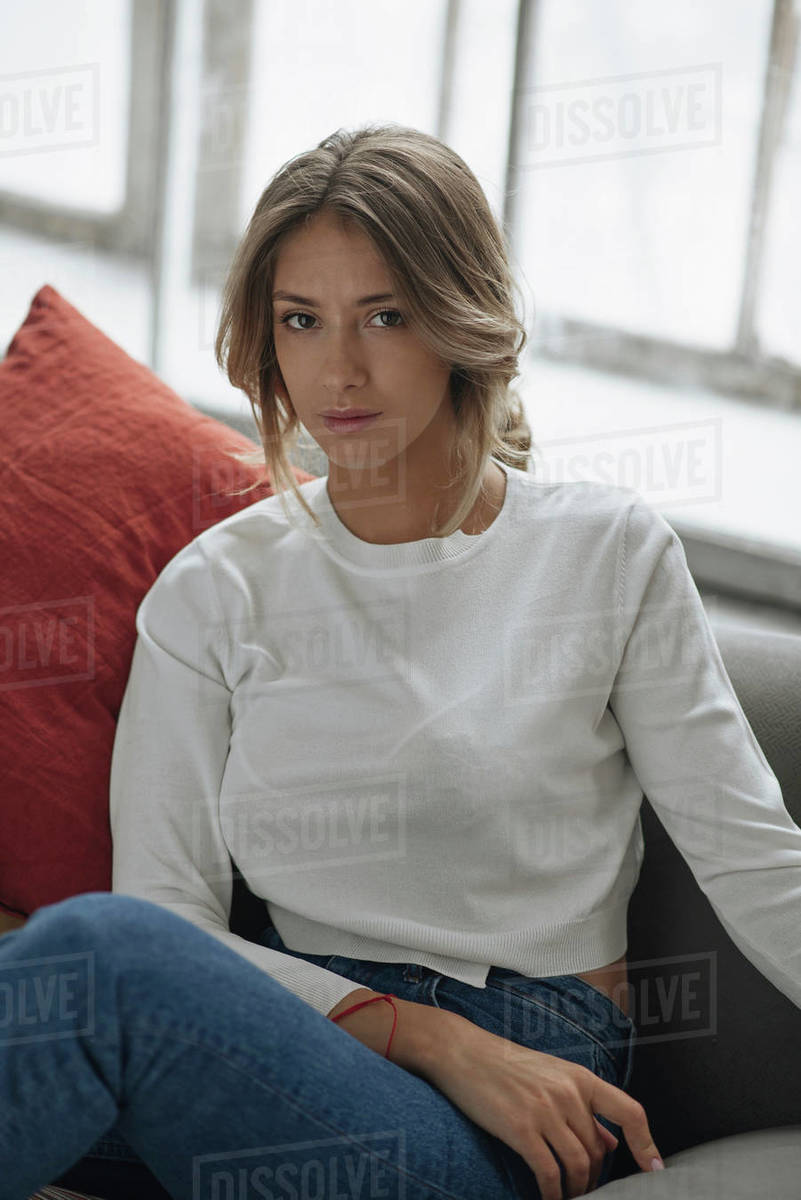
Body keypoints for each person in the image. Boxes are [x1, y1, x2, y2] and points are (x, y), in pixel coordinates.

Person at [4, 122, 799, 1200]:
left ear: (461, 318)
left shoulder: (605, 552)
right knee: (92, 969)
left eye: (386, 315)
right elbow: (173, 916)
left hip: (525, 1090)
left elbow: (755, 861)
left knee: (99, 956)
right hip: (284, 1039)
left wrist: (469, 1048)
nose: (340, 368)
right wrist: (426, 1037)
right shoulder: (213, 588)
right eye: (302, 320)